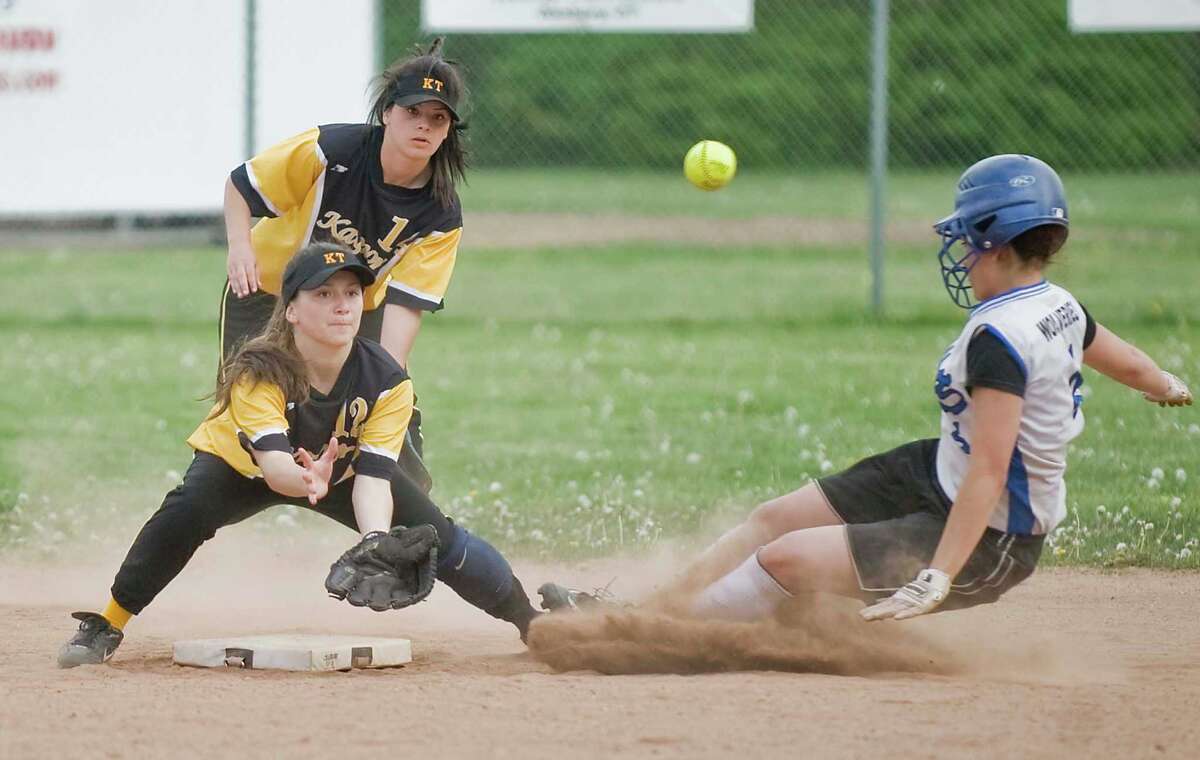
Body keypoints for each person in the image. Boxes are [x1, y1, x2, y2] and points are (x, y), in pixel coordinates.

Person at [541, 154, 1192, 623]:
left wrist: (939, 571)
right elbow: (1125, 361)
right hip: (939, 472)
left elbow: (992, 472)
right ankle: (642, 609)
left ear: (994, 241)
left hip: (990, 535)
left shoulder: (1000, 338)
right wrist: (1165, 385)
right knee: (773, 520)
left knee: (785, 559)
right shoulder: (1057, 304)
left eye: (967, 237)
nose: (961, 252)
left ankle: (648, 637)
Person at [58, 243, 541, 668]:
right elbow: (273, 467)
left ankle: (534, 624)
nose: (342, 306)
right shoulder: (258, 370)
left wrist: (375, 540)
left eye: (352, 293)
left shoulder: (387, 380)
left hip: (344, 471)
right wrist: (307, 481)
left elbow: (374, 477)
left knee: (438, 535)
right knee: (185, 511)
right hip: (243, 465)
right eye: (323, 294)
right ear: (290, 309)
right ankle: (107, 622)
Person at [222, 37, 469, 491]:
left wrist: (386, 383)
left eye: (438, 118)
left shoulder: (440, 212)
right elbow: (242, 184)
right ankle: (251, 487)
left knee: (389, 411)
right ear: (387, 112)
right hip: (265, 288)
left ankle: (404, 528)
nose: (423, 126)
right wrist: (240, 246)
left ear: (449, 129)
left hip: (351, 310)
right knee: (251, 408)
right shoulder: (332, 150)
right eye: (412, 111)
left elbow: (406, 306)